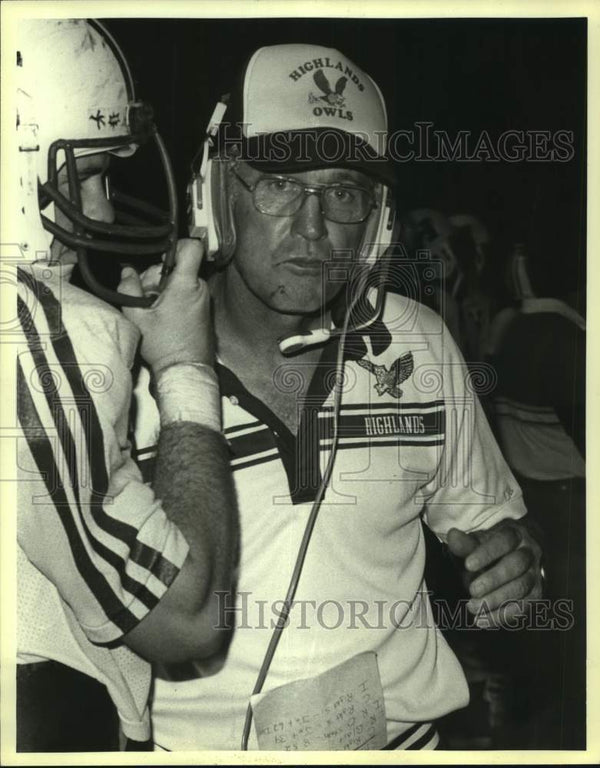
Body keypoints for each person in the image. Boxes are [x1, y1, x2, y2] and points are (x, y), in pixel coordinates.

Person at [131, 43, 543, 751]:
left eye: (344, 191)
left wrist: (516, 562)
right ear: (215, 192)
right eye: (280, 185)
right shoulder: (122, 358)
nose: (315, 228)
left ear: (379, 220)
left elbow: (496, 528)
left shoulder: (421, 344)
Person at [11, 19, 237, 751]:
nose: (102, 208)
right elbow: (190, 618)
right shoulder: (42, 327)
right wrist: (183, 368)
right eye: (88, 177)